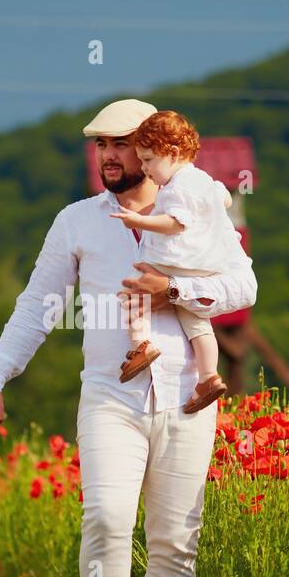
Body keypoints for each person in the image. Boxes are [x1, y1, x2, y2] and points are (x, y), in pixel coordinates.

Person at [0, 99, 258, 577]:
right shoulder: (76, 222)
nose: (108, 156)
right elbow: (37, 306)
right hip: (109, 393)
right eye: (101, 145)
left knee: (176, 540)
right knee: (105, 518)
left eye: (120, 144)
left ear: (156, 148)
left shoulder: (200, 207)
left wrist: (172, 288)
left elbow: (243, 284)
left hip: (187, 398)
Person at [111, 109, 241, 414]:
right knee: (197, 322)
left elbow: (175, 223)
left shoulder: (178, 186)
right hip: (202, 268)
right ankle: (209, 376)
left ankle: (141, 345)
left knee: (134, 295)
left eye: (148, 160)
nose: (145, 169)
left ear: (171, 153)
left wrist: (138, 222)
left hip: (176, 261)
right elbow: (225, 198)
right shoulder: (203, 180)